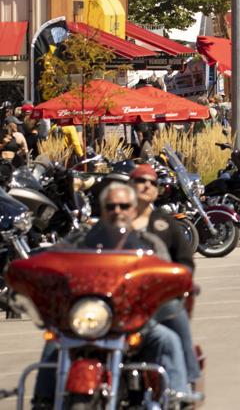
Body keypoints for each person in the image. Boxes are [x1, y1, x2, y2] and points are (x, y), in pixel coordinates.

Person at [34, 184, 192, 404]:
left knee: (168, 340)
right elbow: (55, 259)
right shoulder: (80, 240)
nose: (118, 210)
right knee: (55, 340)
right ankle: (42, 401)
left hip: (133, 321)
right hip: (90, 316)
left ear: (133, 209)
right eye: (112, 206)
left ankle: (177, 396)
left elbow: (164, 275)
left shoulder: (149, 244)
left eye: (124, 206)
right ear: (103, 209)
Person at [129, 164, 200, 387]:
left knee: (175, 322)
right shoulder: (116, 218)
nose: (147, 185)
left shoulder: (164, 222)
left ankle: (186, 382)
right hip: (121, 296)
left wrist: (178, 281)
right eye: (141, 180)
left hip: (158, 297)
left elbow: (185, 260)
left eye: (152, 182)